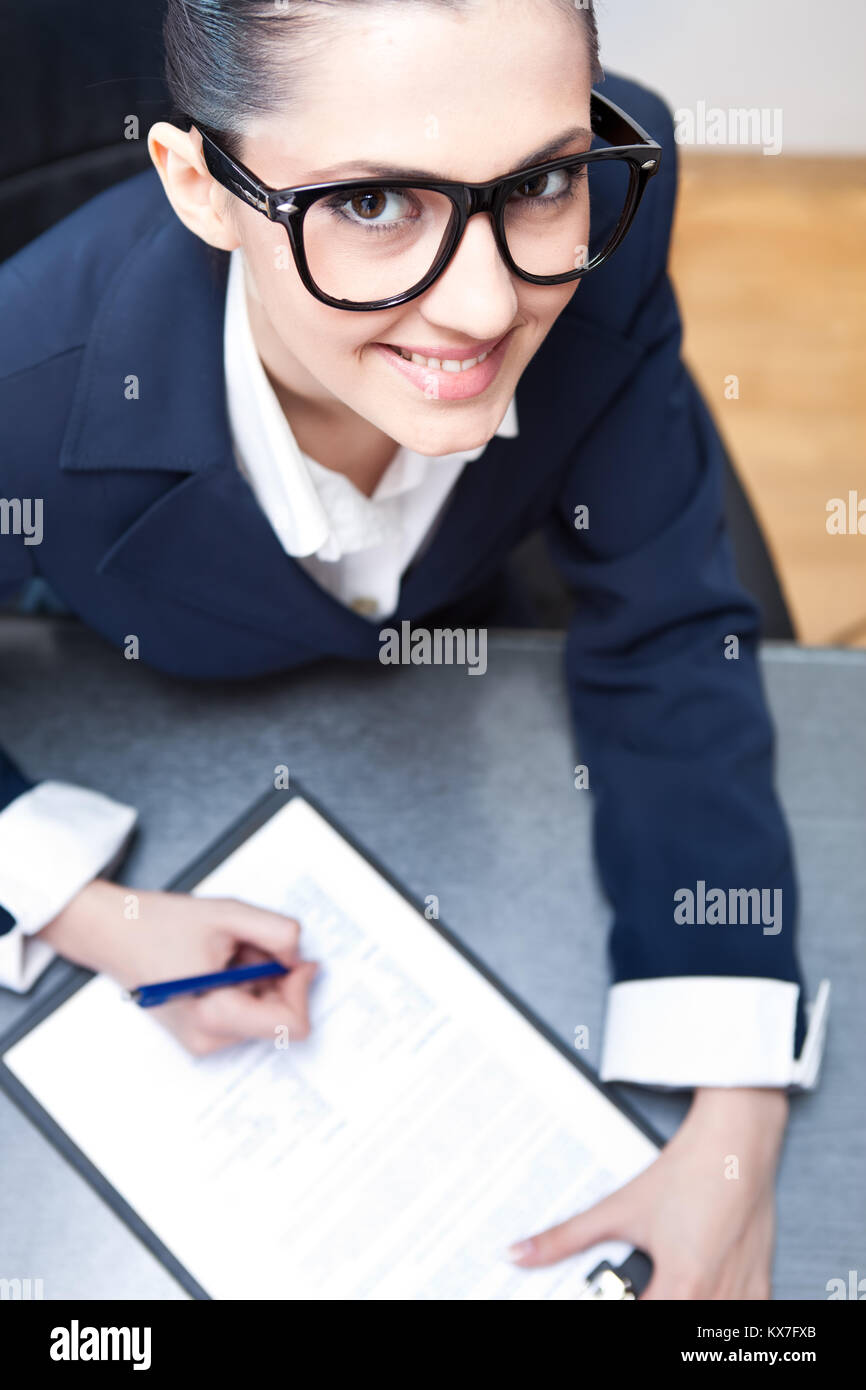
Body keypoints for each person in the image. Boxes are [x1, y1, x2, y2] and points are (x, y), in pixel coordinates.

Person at [0, 0, 828, 1298]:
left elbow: (664, 625)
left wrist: (736, 1105)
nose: (489, 304)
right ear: (199, 186)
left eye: (542, 179)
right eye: (376, 201)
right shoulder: (29, 371)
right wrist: (82, 907)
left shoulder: (615, 203)